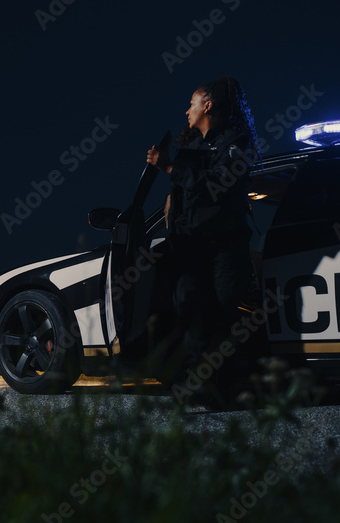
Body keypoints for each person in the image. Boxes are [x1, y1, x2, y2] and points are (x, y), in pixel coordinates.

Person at [145, 76, 259, 391]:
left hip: (224, 250)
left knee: (220, 318)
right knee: (189, 317)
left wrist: (170, 168)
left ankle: (223, 388)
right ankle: (195, 387)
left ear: (207, 105)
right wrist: (172, 206)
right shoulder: (193, 147)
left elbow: (219, 185)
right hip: (190, 249)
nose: (187, 110)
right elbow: (184, 194)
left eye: (191, 104)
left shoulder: (236, 142)